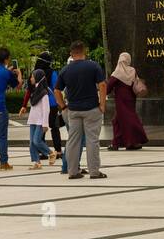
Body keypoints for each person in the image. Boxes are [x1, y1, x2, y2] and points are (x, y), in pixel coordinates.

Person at [55, 41, 107, 181]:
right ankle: (94, 171)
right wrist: (102, 104)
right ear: (85, 52)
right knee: (92, 141)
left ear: (71, 53)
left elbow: (57, 90)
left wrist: (63, 107)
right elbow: (102, 85)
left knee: (73, 141)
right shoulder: (93, 66)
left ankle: (72, 171)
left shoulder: (65, 70)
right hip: (91, 109)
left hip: (73, 110)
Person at [20, 52, 63, 158]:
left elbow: (28, 91)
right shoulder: (52, 73)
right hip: (52, 103)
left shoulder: (34, 74)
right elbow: (56, 88)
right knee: (54, 128)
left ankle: (42, 151)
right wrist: (61, 103)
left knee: (40, 129)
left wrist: (24, 105)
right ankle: (58, 151)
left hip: (37, 104)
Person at [106, 52, 149, 151]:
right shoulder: (132, 70)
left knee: (123, 120)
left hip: (121, 101)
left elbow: (109, 86)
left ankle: (122, 143)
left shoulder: (117, 72)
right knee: (118, 120)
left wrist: (103, 93)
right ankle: (124, 143)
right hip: (131, 99)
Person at [25, 60, 57, 170]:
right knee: (31, 143)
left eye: (33, 77)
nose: (31, 79)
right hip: (33, 119)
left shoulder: (44, 92)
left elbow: (46, 109)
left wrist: (45, 124)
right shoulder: (35, 90)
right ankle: (36, 162)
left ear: (38, 78)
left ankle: (50, 153)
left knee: (36, 140)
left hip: (40, 121)